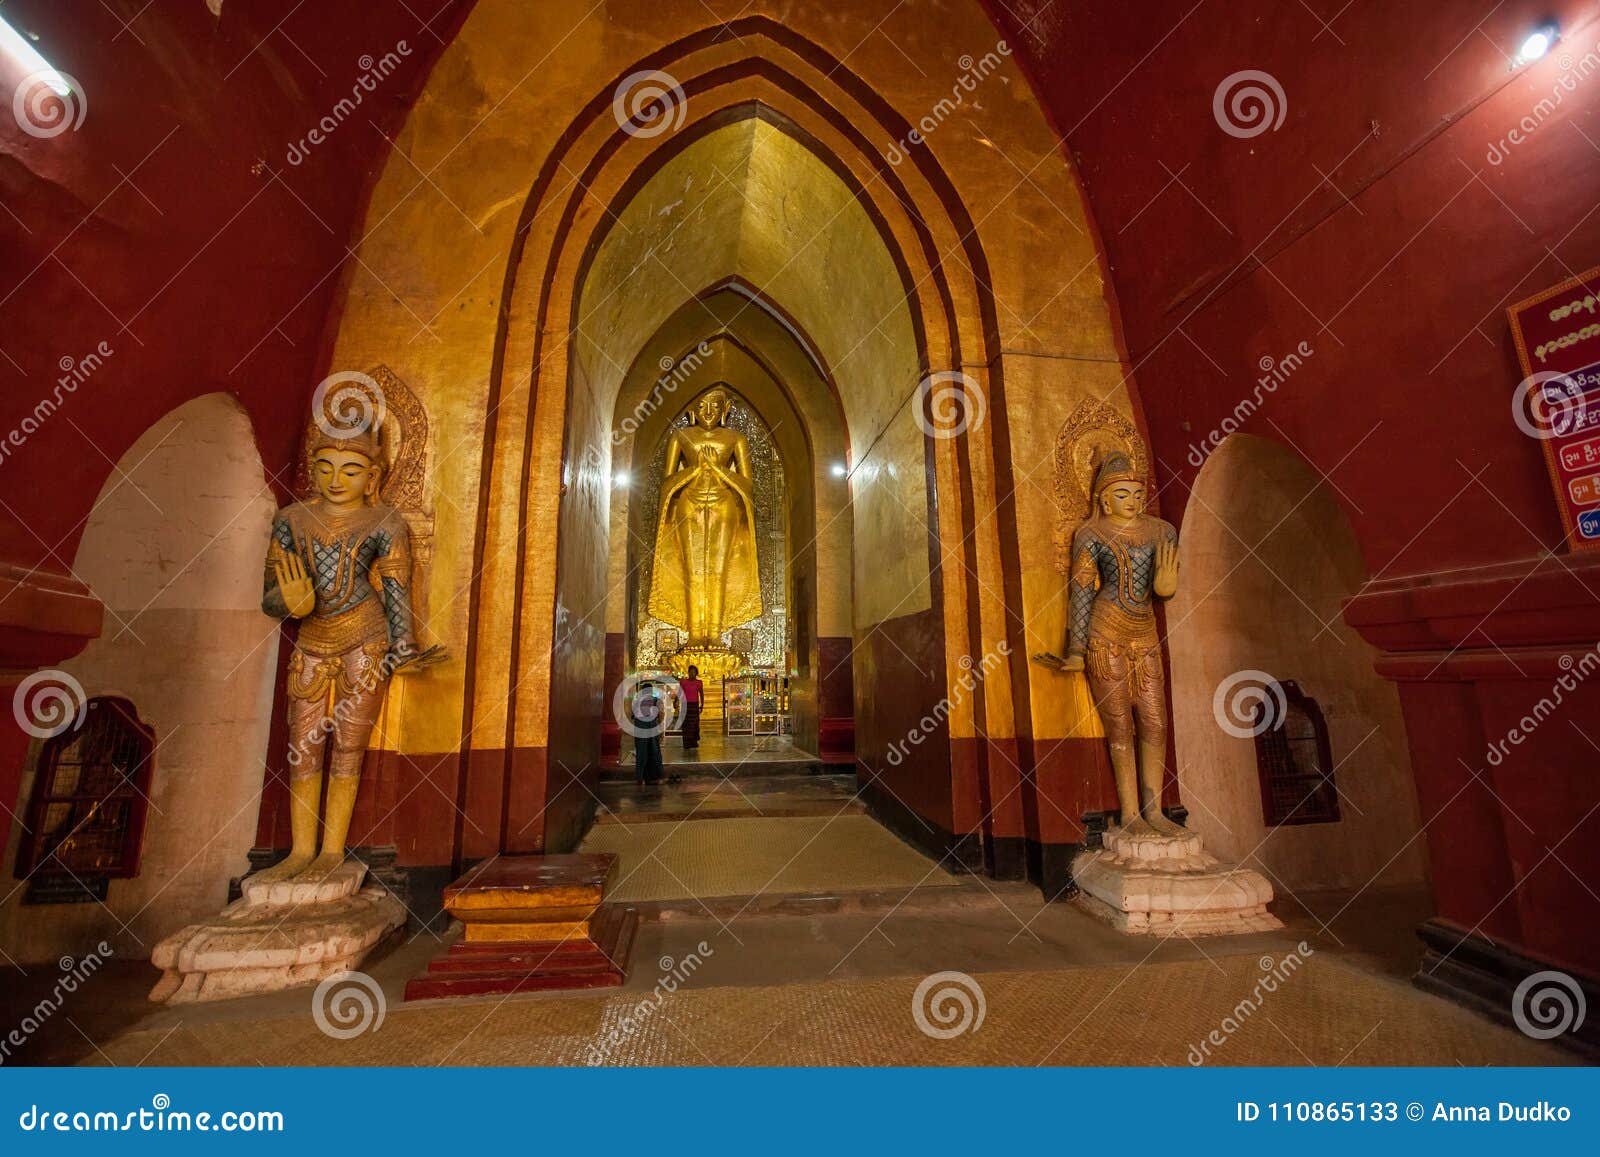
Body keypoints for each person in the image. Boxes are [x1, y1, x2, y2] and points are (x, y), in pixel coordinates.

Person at [632, 682, 665, 786]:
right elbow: (661, 716)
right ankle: (652, 777)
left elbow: (633, 715)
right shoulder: (656, 701)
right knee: (653, 752)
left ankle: (640, 777)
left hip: (641, 728)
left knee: (642, 753)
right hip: (649, 728)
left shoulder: (637, 702)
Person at [679, 665, 704, 749]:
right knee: (686, 724)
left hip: (694, 705)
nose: (692, 674)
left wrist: (702, 704)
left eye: (693, 672)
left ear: (696, 673)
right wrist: (676, 701)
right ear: (688, 672)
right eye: (690, 672)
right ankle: (686, 742)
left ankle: (693, 741)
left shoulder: (699, 682)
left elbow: (701, 694)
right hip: (685, 705)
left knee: (694, 724)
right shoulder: (683, 682)